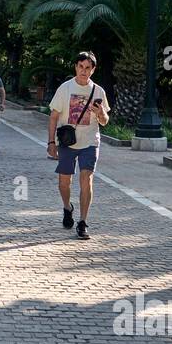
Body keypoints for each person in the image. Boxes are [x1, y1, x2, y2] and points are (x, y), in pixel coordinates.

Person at [47, 51, 111, 240]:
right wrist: (51, 142)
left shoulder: (98, 91)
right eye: (81, 67)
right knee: (64, 182)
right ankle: (67, 207)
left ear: (93, 70)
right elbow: (54, 117)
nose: (84, 71)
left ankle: (82, 222)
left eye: (87, 68)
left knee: (86, 179)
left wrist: (100, 113)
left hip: (90, 142)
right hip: (68, 141)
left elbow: (105, 121)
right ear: (76, 67)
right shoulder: (65, 88)